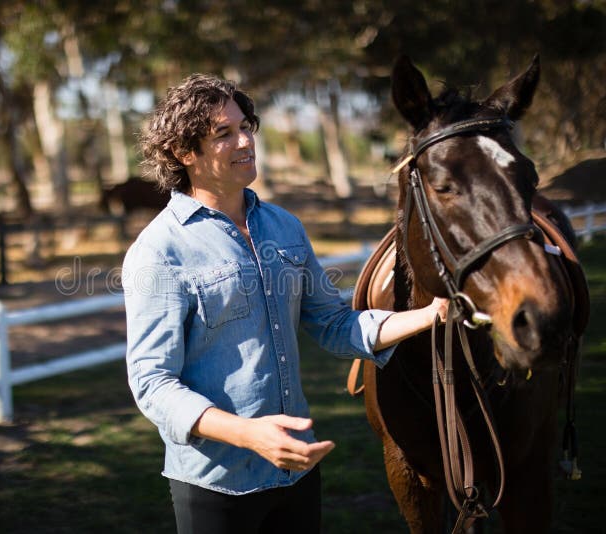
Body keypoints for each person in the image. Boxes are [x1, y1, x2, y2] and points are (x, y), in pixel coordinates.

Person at [121, 74, 448, 534]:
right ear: (183, 152)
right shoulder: (160, 250)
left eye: (245, 126)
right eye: (223, 133)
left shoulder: (284, 227)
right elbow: (152, 382)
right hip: (217, 484)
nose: (245, 141)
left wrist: (430, 314)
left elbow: (333, 324)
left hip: (297, 471)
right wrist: (248, 434)